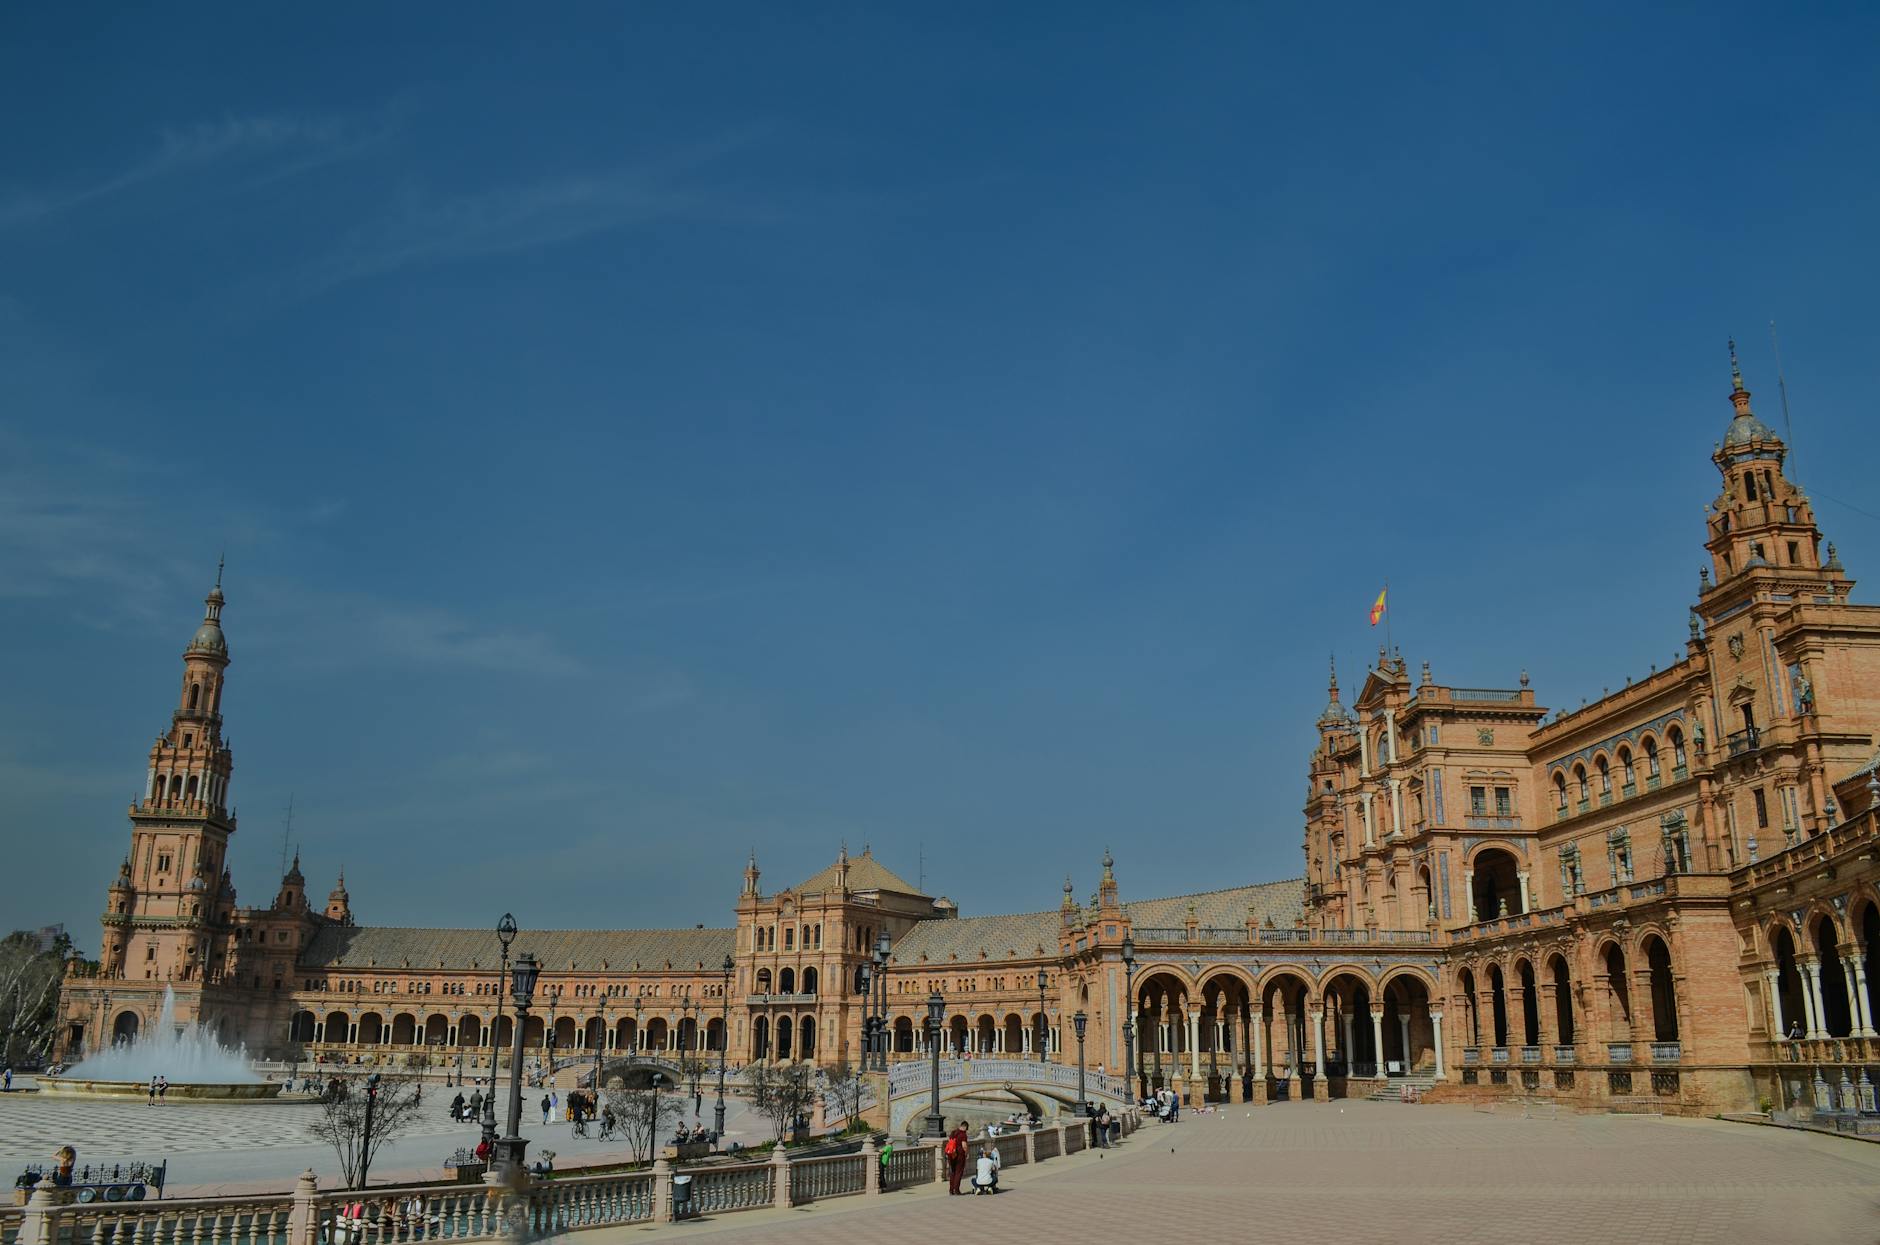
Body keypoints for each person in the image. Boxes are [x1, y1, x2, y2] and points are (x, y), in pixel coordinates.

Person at [943, 1121, 970, 1195]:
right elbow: (964, 1146)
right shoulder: (963, 1134)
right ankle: (956, 1190)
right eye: (966, 1129)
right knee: (958, 1172)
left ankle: (951, 1190)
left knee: (953, 1172)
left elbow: (950, 1142)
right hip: (959, 1155)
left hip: (951, 1154)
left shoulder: (953, 1132)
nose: (966, 1131)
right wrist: (967, 1153)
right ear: (965, 1127)